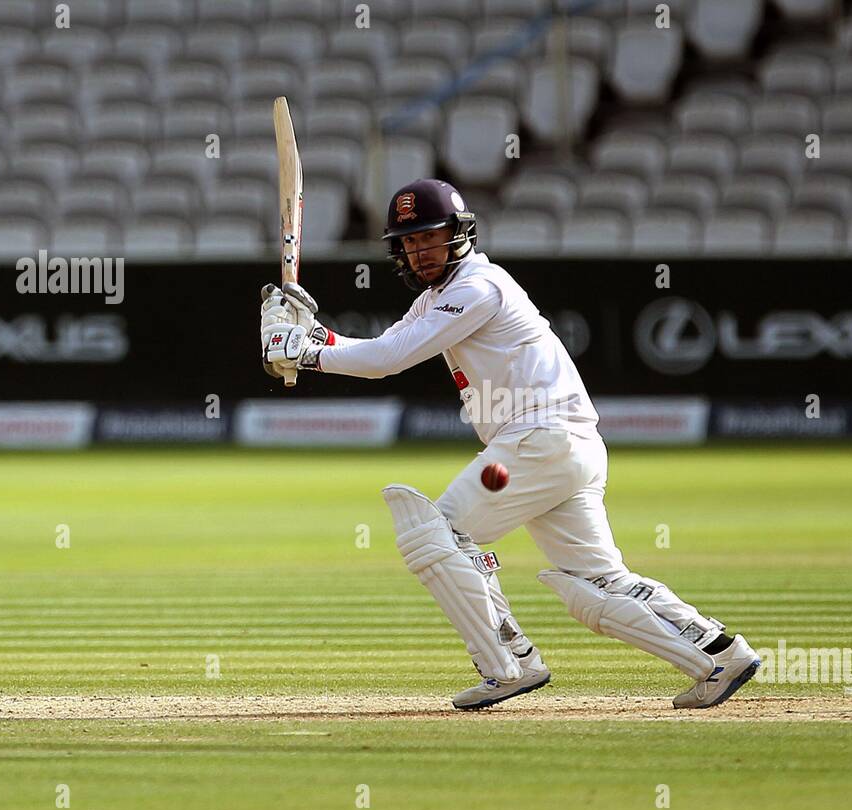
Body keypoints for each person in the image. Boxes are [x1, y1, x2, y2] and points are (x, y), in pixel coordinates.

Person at [259, 178, 760, 710]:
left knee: (436, 533)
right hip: (560, 446)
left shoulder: (479, 287)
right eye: (408, 242)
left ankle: (510, 663)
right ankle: (719, 652)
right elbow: (381, 346)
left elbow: (389, 361)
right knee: (596, 585)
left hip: (538, 438)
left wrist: (301, 350)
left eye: (429, 238)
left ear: (460, 233)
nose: (418, 251)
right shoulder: (441, 296)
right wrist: (309, 336)